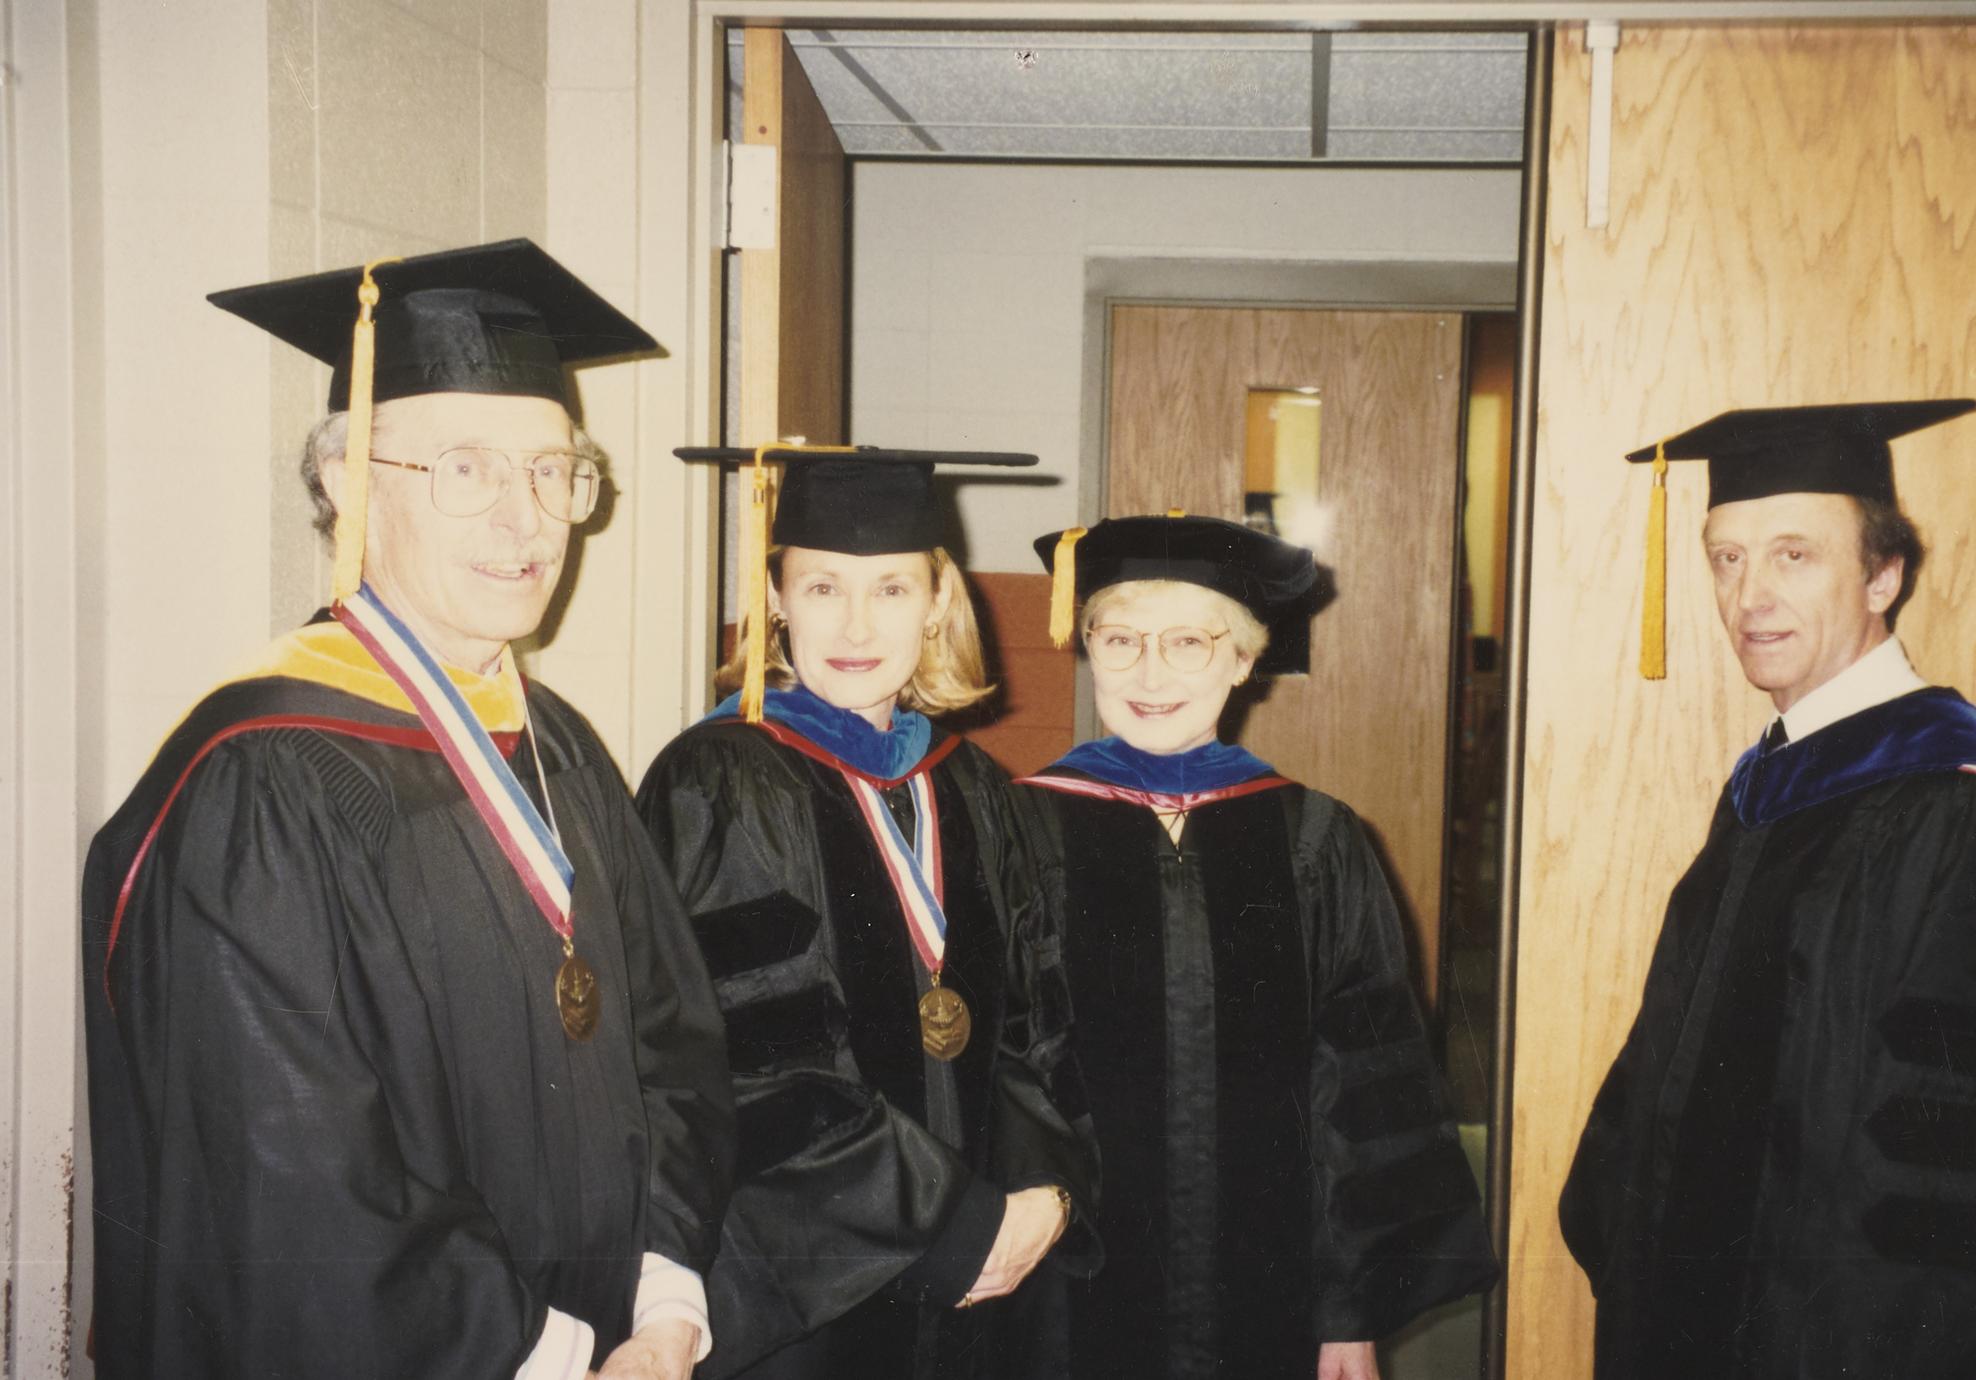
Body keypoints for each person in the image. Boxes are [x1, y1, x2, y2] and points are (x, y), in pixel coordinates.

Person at [82, 241, 735, 1380]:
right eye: (467, 468)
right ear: (347, 482)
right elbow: (294, 1188)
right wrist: (557, 1358)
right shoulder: (262, 778)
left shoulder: (560, 746)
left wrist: (666, 1296)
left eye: (554, 471)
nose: (528, 520)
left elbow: (673, 1042)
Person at [635, 446, 1099, 1379]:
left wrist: (1046, 1192)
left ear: (937, 601)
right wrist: (950, 1227)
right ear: (775, 599)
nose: (856, 625)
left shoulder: (975, 787)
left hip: (986, 1268)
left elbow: (1036, 1026)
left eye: (891, 589)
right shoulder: (720, 779)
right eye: (822, 588)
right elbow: (744, 1063)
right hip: (809, 1292)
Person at [1017, 514, 1496, 1380]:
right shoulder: (1018, 828)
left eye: (1189, 642)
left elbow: (1362, 1084)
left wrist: (1349, 1314)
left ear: (1243, 659)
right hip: (1063, 1282)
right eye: (1120, 640)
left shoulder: (1316, 838)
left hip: (1268, 1288)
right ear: (1087, 648)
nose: (1150, 674)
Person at [1561, 400, 1976, 1379]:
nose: (1750, 595)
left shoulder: (1944, 800)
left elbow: (1934, 1143)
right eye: (1726, 558)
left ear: (1883, 575)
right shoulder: (1769, 784)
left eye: (1794, 555)